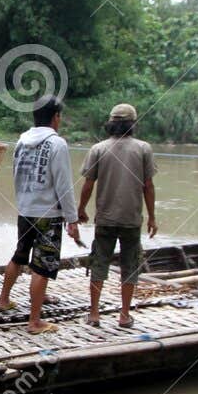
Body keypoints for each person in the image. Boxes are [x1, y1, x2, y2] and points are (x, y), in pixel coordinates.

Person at [0, 96, 80, 334]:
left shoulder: (22, 141)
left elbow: (17, 174)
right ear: (55, 117)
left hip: (25, 209)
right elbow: (64, 185)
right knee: (43, 266)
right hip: (48, 213)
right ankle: (34, 321)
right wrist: (72, 219)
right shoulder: (57, 144)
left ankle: (3, 300)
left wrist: (24, 201)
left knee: (20, 254)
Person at [77, 103, 157, 329]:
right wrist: (152, 217)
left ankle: (94, 314)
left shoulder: (98, 149)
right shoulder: (143, 149)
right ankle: (124, 315)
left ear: (111, 123)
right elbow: (148, 186)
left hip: (105, 218)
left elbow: (88, 184)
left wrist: (81, 209)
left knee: (99, 263)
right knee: (130, 265)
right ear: (133, 124)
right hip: (132, 219)